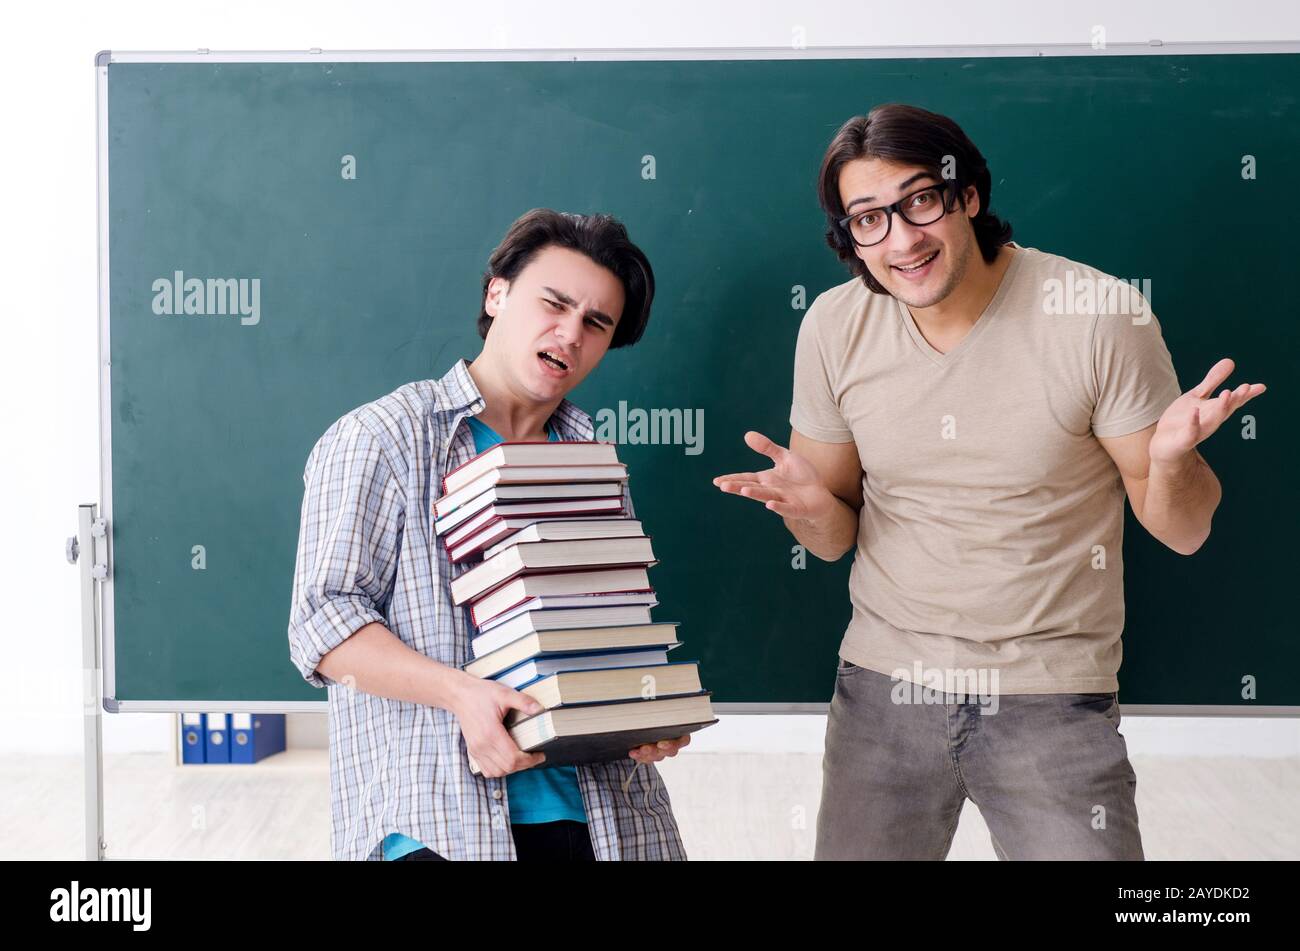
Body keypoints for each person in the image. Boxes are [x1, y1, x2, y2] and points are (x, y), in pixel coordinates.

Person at [714, 104, 1265, 860]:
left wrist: (1173, 462)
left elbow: (1185, 528)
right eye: (868, 219)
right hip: (882, 687)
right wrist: (808, 510)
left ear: (968, 194)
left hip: (1052, 697)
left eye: (920, 201)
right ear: (849, 237)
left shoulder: (1097, 314)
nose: (901, 239)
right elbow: (835, 536)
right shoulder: (833, 327)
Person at [288, 209, 690, 861]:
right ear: (497, 292)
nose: (570, 333)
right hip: (440, 821)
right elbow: (322, 621)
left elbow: (604, 636)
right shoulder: (381, 438)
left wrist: (640, 712)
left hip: (608, 819)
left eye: (596, 322)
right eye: (553, 303)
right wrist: (463, 694)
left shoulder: (594, 462)